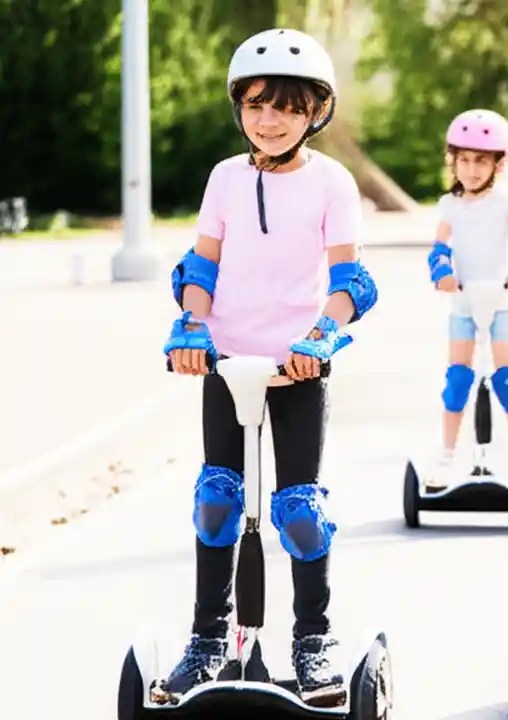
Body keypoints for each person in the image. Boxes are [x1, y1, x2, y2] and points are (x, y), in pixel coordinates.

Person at [156, 28, 378, 706]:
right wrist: (191, 322)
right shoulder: (225, 177)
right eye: (256, 104)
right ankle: (207, 639)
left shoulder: (331, 183)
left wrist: (320, 338)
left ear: (316, 111)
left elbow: (349, 280)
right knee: (217, 502)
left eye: (286, 106)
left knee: (299, 510)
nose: (269, 118)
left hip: (297, 368)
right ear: (239, 108)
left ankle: (313, 642)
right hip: (225, 365)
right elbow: (202, 267)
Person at [425, 109, 508, 492]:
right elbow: (439, 249)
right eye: (464, 160)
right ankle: (445, 458)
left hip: (500, 299)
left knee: (506, 379)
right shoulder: (450, 205)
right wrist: (441, 272)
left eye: (481, 161)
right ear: (453, 161)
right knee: (458, 379)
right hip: (463, 301)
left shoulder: (504, 201)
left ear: (497, 164)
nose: (472, 169)